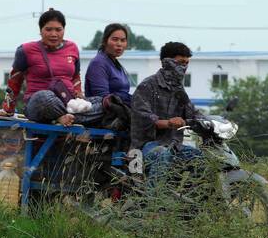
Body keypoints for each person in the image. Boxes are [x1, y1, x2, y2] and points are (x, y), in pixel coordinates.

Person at [130, 42, 202, 180]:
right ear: (167, 62)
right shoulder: (147, 86)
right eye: (180, 62)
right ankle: (153, 200)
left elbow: (193, 113)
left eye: (187, 63)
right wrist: (169, 123)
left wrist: (214, 122)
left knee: (202, 159)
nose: (184, 67)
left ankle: (190, 199)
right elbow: (143, 118)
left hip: (174, 146)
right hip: (146, 146)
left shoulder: (179, 90)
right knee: (162, 154)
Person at [2, 8, 82, 114]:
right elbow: (14, 81)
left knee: (101, 102)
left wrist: (79, 95)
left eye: (58, 30)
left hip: (68, 103)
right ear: (40, 30)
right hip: (39, 104)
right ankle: (61, 116)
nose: (54, 34)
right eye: (48, 29)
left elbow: (76, 77)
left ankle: (66, 115)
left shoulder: (73, 48)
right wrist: (8, 108)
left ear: (64, 30)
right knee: (44, 96)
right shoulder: (25, 50)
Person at [84, 23, 132, 103]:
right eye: (115, 39)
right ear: (105, 41)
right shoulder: (98, 63)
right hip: (105, 113)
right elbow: (103, 98)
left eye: (123, 40)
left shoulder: (116, 64)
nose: (119, 44)